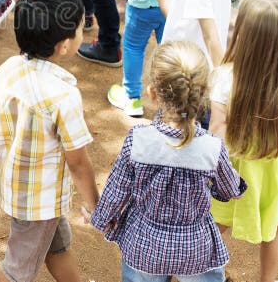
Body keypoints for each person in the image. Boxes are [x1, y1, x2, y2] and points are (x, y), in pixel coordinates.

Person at [0, 0, 100, 282]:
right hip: (39, 203)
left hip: (20, 191)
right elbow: (78, 163)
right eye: (80, 28)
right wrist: (97, 206)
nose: (84, 33)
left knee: (57, 245)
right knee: (17, 271)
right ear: (64, 45)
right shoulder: (63, 96)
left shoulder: (8, 69)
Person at [89, 41, 247, 282]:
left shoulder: (138, 140)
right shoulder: (212, 148)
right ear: (204, 94)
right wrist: (232, 189)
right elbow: (229, 189)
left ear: (153, 93)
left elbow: (116, 190)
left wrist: (100, 218)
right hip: (194, 248)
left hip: (144, 244)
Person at [209, 0, 278, 282]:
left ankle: (194, 271)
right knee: (275, 225)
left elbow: (216, 130)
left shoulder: (225, 78)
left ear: (245, 38)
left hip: (230, 168)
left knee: (213, 226)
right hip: (271, 169)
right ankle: (268, 279)